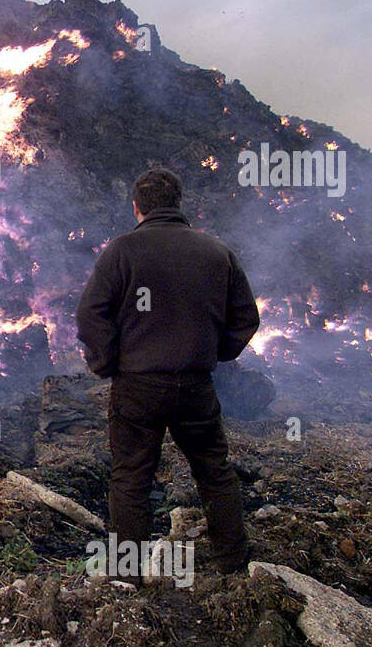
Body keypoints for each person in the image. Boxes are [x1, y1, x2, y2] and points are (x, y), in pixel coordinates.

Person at [76, 167, 260, 579]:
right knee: (214, 470)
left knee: (131, 477)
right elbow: (246, 316)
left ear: (137, 207)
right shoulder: (216, 252)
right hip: (195, 384)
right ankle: (233, 563)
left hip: (138, 385)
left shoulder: (122, 250)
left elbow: (91, 314)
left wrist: (108, 362)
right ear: (179, 204)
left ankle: (126, 578)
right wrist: (215, 352)